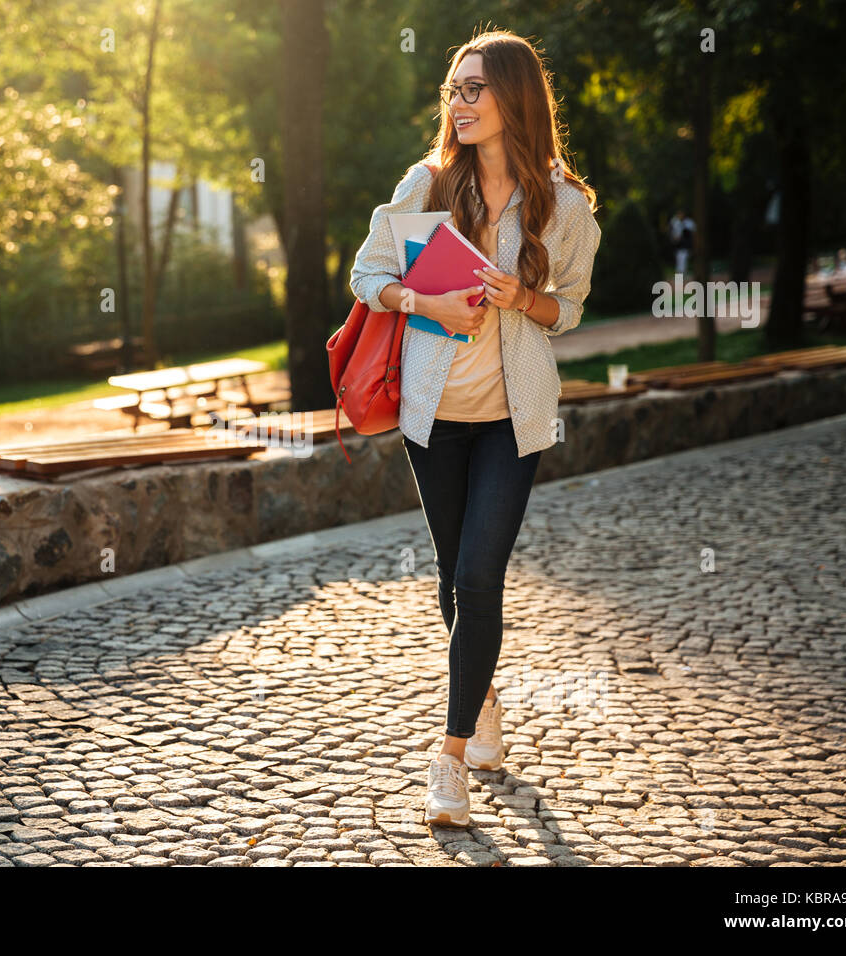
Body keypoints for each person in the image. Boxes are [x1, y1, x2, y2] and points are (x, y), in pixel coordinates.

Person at [348, 28, 602, 828]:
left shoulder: (561, 203)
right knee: (451, 575)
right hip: (433, 419)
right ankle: (483, 693)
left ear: (514, 99)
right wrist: (426, 303)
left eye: (473, 90)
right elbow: (366, 274)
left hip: (511, 420)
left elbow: (571, 307)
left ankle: (449, 757)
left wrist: (519, 298)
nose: (457, 104)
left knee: (478, 579)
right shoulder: (426, 182)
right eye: (452, 90)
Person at [670, 210, 695, 276]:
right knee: (679, 258)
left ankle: (682, 272)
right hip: (678, 244)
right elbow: (673, 233)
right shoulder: (675, 222)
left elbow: (691, 234)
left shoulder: (688, 222)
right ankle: (680, 273)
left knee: (683, 257)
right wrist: (674, 238)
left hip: (686, 244)